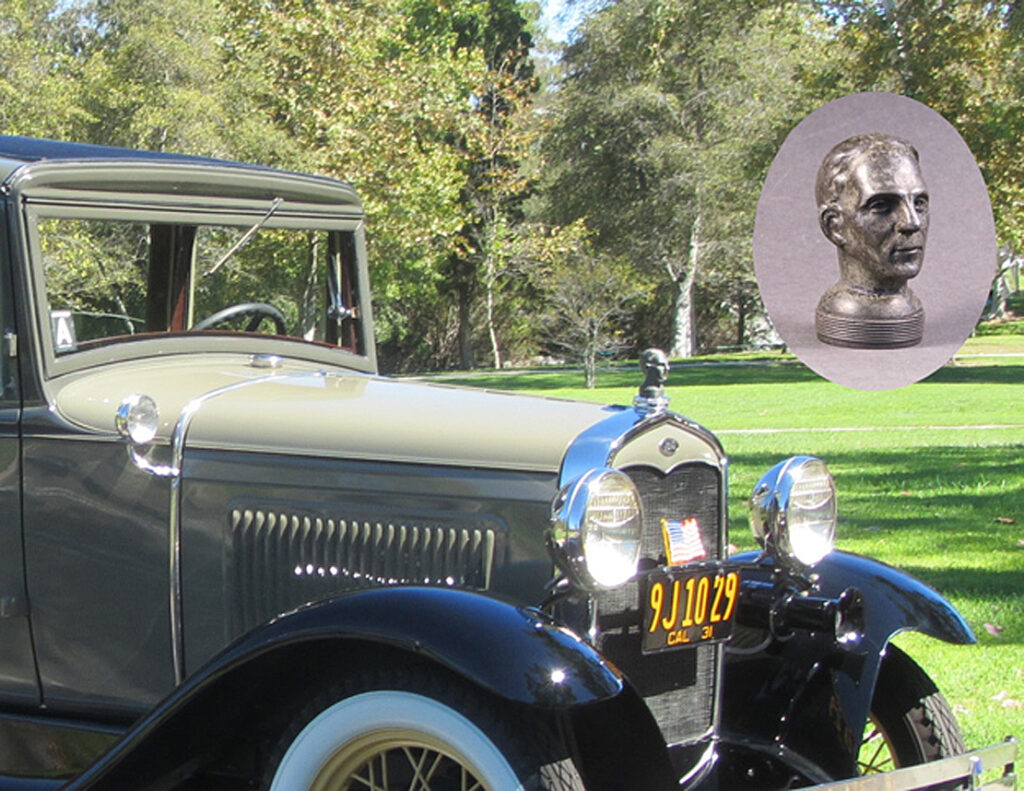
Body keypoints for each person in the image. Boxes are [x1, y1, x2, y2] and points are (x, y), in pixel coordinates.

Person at [814, 133, 929, 348]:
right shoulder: (844, 309)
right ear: (834, 226)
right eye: (882, 206)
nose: (912, 223)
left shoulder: (910, 304)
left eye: (919, 203)